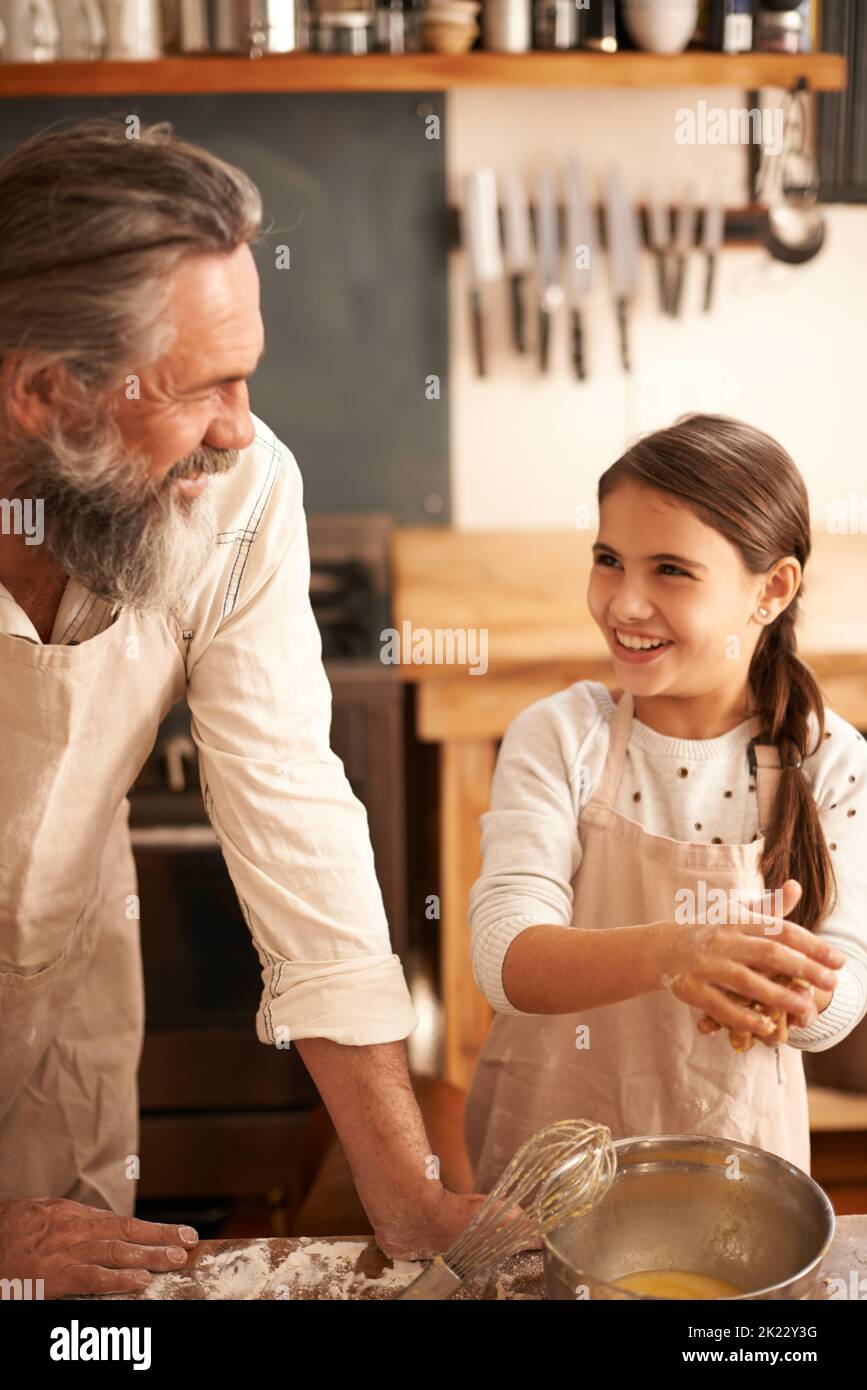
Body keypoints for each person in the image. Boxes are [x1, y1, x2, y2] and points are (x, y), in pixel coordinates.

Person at [0, 117, 485, 1298]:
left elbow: (299, 819)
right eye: (204, 386)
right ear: (46, 392)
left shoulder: (244, 488)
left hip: (56, 1000)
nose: (239, 427)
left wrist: (409, 1194)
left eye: (248, 372)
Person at [465, 413, 867, 1191]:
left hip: (733, 1176)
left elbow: (838, 1003)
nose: (624, 604)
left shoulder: (833, 764)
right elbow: (502, 956)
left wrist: (786, 987)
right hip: (547, 1171)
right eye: (608, 560)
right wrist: (677, 954)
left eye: (670, 571)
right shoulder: (557, 736)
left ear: (771, 590)